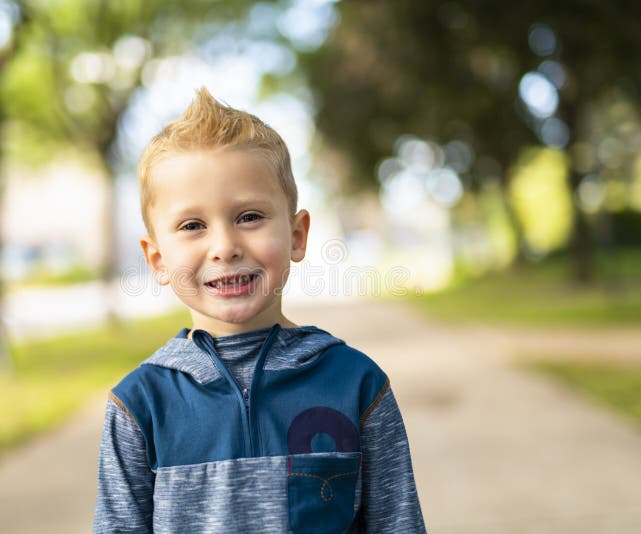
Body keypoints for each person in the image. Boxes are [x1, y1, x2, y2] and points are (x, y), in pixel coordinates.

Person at [93, 87, 427, 533]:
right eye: (193, 225)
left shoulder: (357, 384)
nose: (225, 247)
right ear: (157, 260)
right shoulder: (138, 405)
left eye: (249, 217)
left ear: (296, 235)